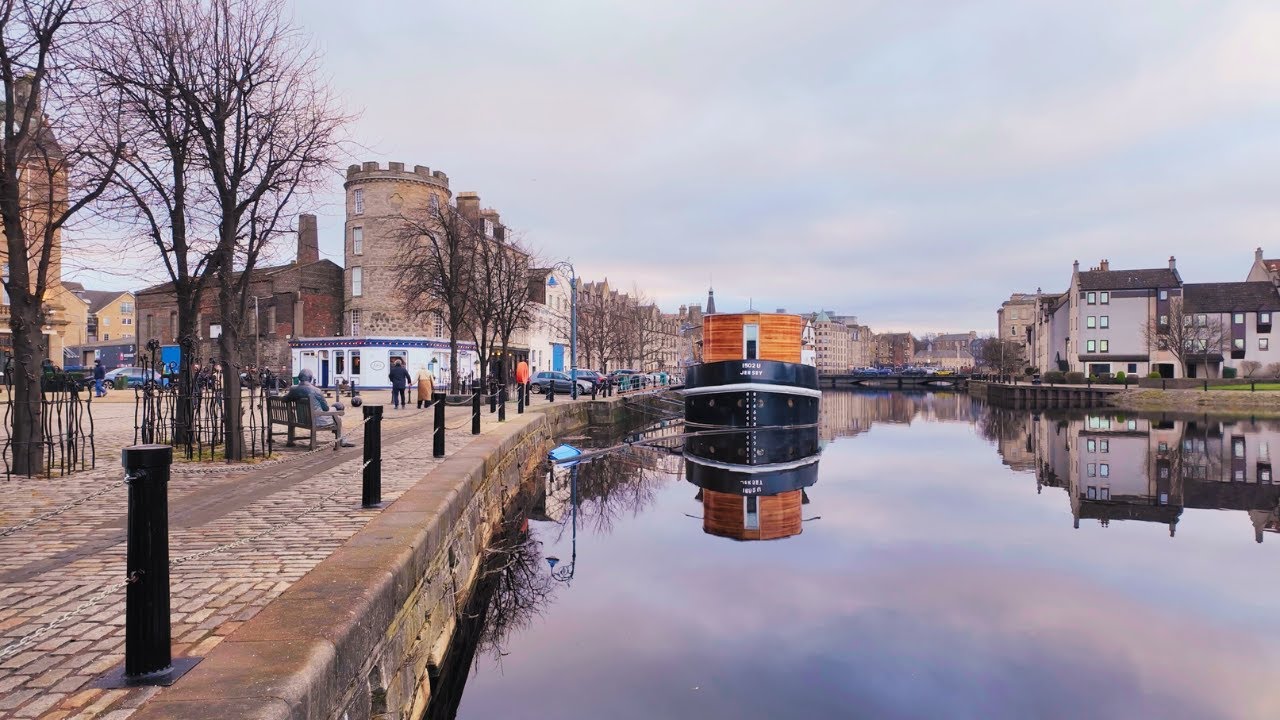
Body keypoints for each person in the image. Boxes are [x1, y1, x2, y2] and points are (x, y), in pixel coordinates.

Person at [285, 368, 354, 447]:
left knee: (334, 415)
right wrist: (334, 409)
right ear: (310, 378)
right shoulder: (316, 390)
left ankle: (340, 438)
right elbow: (325, 409)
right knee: (337, 418)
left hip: (302, 419)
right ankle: (342, 440)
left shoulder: (294, 389)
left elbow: (285, 399)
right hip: (316, 420)